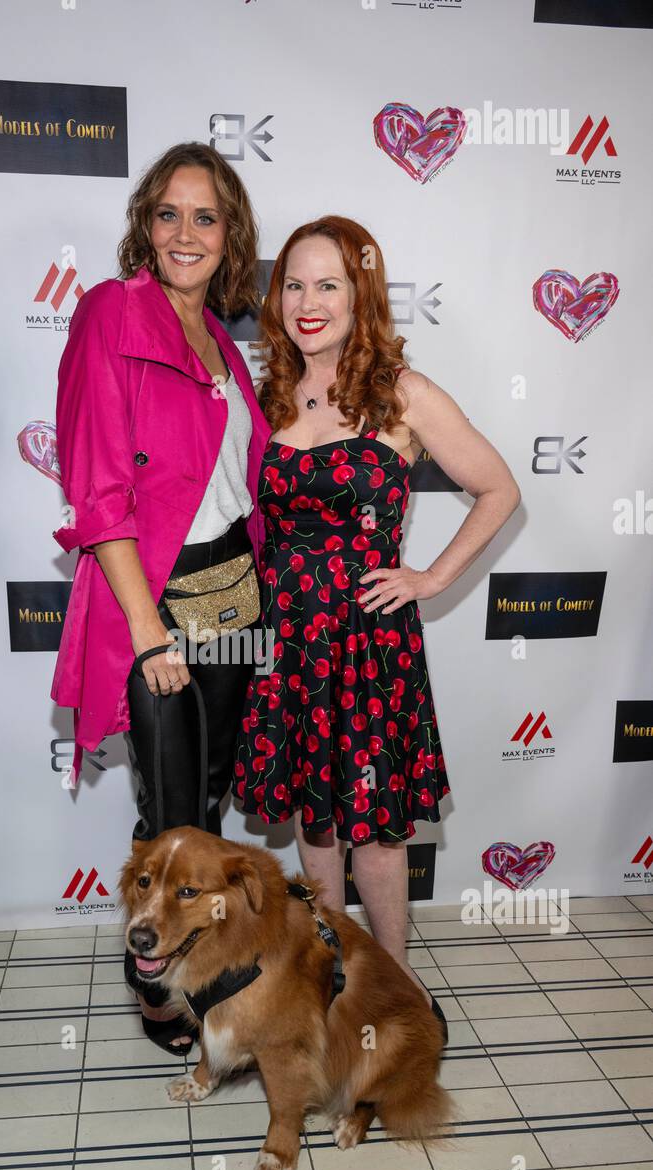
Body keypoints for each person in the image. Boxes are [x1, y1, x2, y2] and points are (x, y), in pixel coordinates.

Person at [234, 216, 521, 1044]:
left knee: (377, 833)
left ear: (361, 294)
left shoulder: (403, 391)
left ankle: (392, 987)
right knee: (314, 824)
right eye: (293, 284)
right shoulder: (266, 395)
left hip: (366, 644)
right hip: (287, 642)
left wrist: (431, 577)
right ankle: (332, 972)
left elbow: (498, 488)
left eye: (329, 284)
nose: (307, 301)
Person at [50, 143, 271, 1055]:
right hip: (161, 608)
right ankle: (154, 985)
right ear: (146, 224)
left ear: (231, 238)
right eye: (169, 214)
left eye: (206, 218)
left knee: (211, 812)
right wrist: (150, 635)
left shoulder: (220, 338)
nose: (187, 234)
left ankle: (206, 971)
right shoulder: (111, 314)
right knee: (169, 816)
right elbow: (99, 491)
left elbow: (236, 487)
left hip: (236, 599)